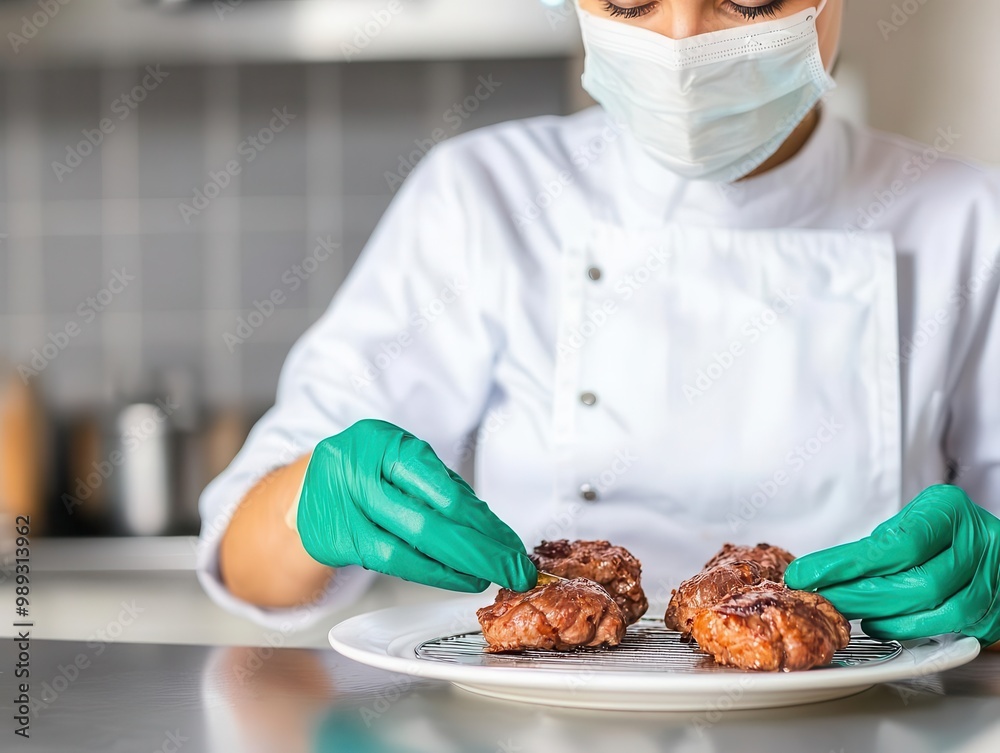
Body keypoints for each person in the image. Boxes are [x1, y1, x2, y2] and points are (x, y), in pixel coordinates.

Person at [198, 0, 1000, 645]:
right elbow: (246, 556)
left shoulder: (964, 220)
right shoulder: (485, 196)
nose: (682, 44)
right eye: (629, 0)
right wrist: (314, 500)